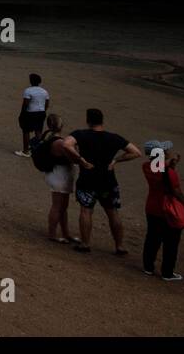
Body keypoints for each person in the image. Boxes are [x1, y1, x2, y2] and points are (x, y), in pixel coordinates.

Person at [64, 108, 143, 254]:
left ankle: (85, 243)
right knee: (113, 212)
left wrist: (80, 159)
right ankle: (119, 246)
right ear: (102, 120)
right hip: (108, 180)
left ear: (88, 120)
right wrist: (116, 160)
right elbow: (136, 152)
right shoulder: (113, 138)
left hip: (88, 178)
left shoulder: (81, 134)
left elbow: (66, 144)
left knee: (86, 211)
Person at [141, 140, 184, 281]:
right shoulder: (169, 172)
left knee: (152, 238)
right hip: (167, 210)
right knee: (171, 242)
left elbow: (161, 176)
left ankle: (148, 267)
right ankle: (167, 272)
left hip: (152, 207)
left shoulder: (147, 167)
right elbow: (177, 192)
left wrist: (171, 166)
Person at [35, 114, 90, 244]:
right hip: (60, 174)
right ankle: (52, 234)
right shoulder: (60, 142)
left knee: (62, 206)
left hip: (57, 174)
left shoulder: (49, 138)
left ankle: (65, 233)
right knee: (58, 205)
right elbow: (73, 158)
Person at [15, 73, 50, 157]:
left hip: (30, 113)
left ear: (31, 81)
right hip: (41, 113)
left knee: (26, 131)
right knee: (38, 132)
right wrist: (43, 111)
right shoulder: (44, 91)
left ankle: (26, 151)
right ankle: (39, 151)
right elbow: (47, 104)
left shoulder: (28, 90)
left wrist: (22, 114)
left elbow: (25, 104)